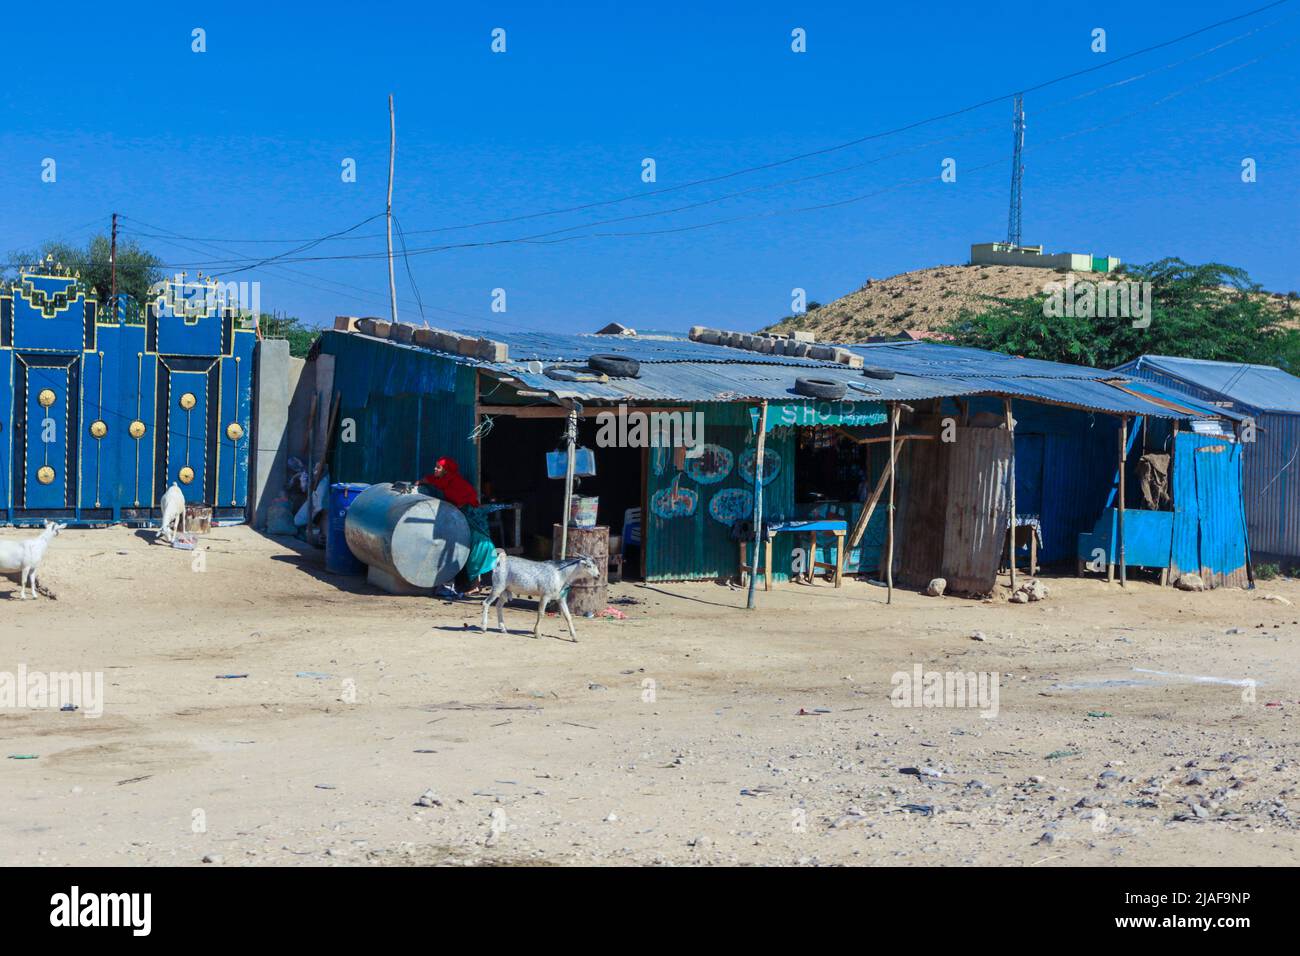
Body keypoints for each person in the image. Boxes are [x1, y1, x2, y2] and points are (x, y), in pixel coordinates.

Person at [419, 457, 497, 593]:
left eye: (438, 467)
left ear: (446, 471)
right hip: (463, 518)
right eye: (435, 466)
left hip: (471, 519)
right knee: (470, 549)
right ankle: (475, 584)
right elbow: (433, 480)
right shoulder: (445, 481)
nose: (435, 469)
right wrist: (422, 481)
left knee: (476, 548)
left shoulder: (455, 483)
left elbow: (461, 502)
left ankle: (477, 585)